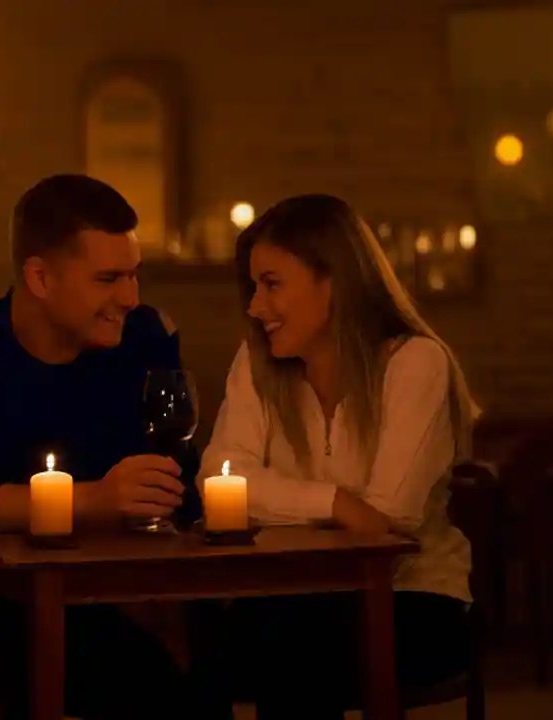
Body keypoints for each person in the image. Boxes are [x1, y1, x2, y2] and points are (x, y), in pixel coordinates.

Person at [0, 174, 207, 719]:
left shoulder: (147, 336)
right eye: (107, 279)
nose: (130, 298)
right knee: (151, 687)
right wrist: (91, 501)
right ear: (40, 277)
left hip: (114, 594)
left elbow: (182, 488)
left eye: (134, 274)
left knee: (230, 657)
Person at [200, 194, 476, 718]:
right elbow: (219, 476)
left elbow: (389, 517)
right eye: (254, 287)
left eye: (272, 284)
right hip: (290, 596)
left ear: (334, 281)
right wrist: (335, 503)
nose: (255, 308)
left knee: (293, 645)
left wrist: (280, 501)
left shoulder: (414, 363)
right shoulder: (257, 363)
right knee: (201, 642)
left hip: (412, 600)